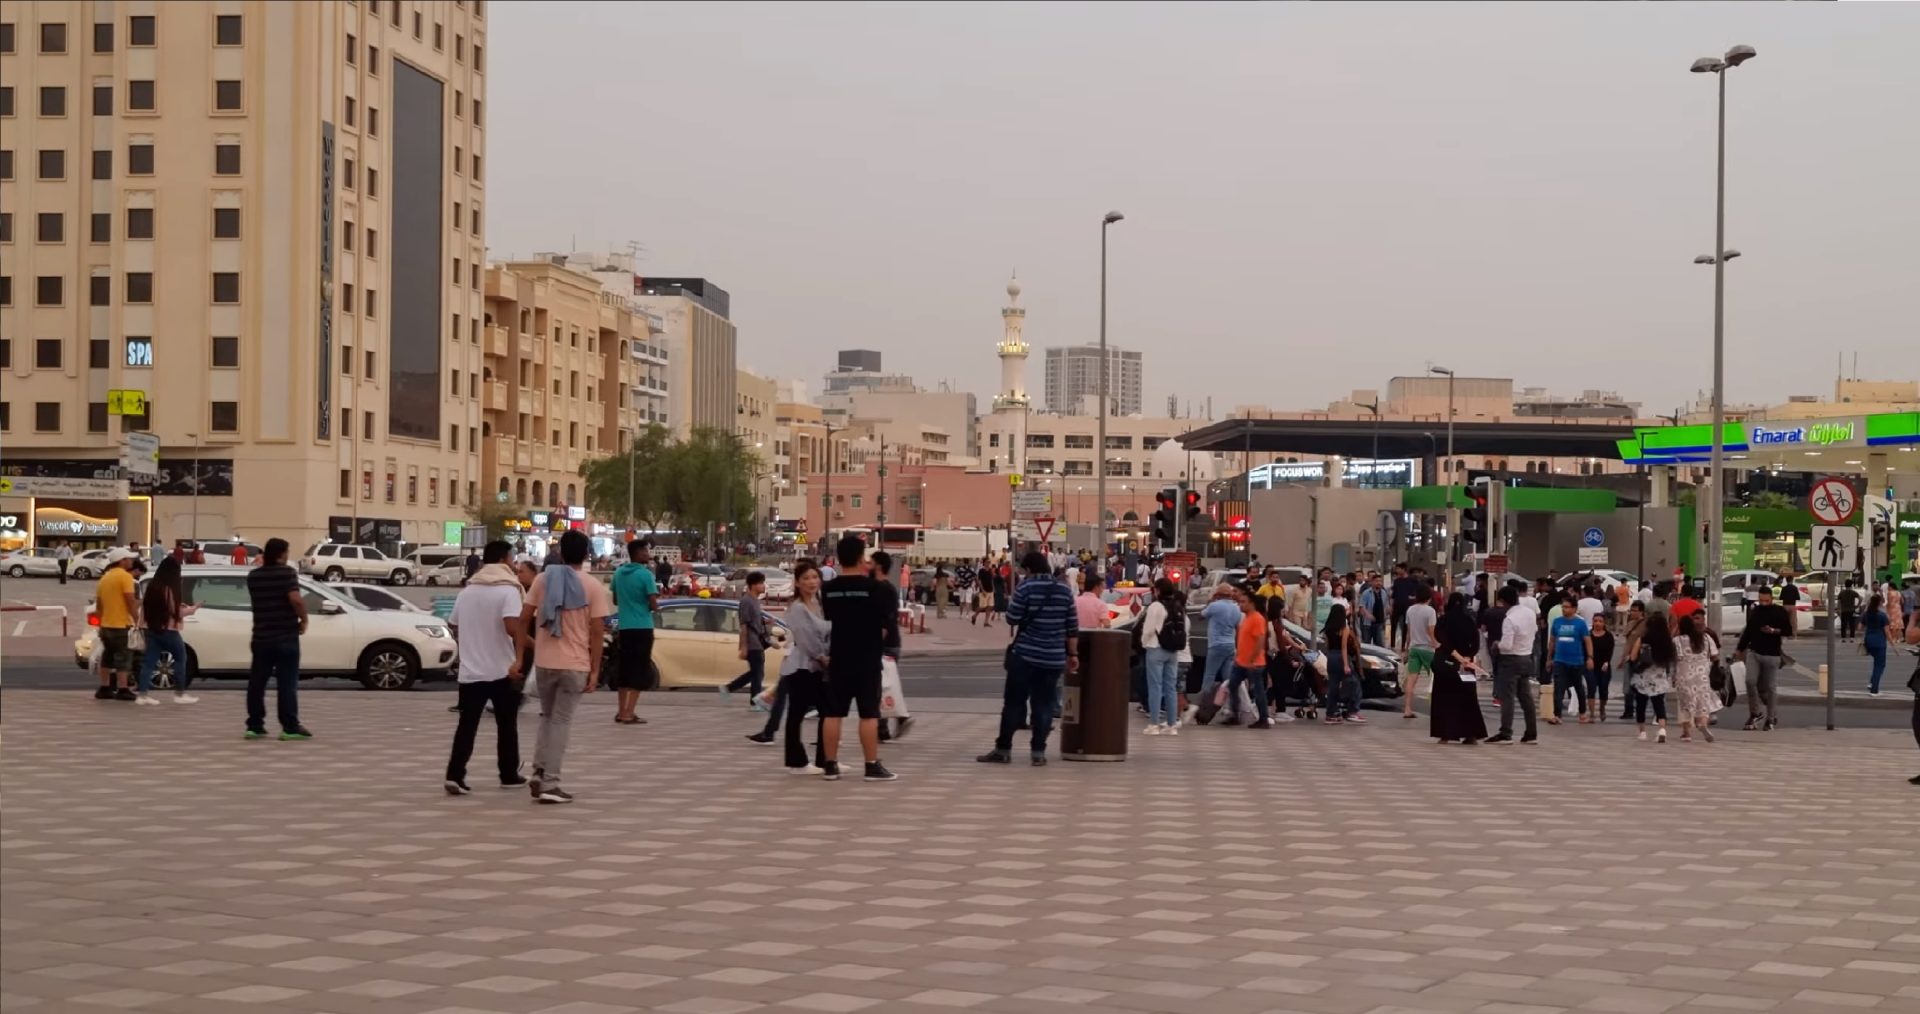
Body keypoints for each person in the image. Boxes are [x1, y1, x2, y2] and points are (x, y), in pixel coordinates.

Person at [519, 529, 613, 804]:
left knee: (547, 717)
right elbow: (597, 631)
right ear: (587, 554)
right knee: (561, 721)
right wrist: (595, 670)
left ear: (560, 552)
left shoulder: (543, 579)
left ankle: (539, 771)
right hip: (575, 664)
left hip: (545, 661)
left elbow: (523, 618)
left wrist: (519, 655)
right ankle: (550, 783)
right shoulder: (593, 586)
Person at [979, 550, 1080, 764]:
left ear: (1029, 569)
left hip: (1025, 655)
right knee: (1044, 705)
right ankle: (1038, 753)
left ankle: (1003, 749)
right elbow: (1072, 626)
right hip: (1053, 657)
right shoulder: (1064, 590)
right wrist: (1072, 654)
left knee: (1013, 703)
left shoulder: (1025, 588)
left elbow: (1012, 618)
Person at [444, 541, 528, 794]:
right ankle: (508, 774)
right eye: (512, 559)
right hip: (502, 669)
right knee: (506, 725)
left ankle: (455, 775)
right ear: (503, 560)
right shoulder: (508, 591)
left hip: (470, 671)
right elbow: (512, 627)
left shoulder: (467, 591)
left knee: (467, 725)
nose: (514, 565)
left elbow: (453, 624)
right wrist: (532, 646)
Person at [820, 537, 898, 781]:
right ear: (860, 557)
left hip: (839, 656)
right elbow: (885, 626)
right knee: (868, 713)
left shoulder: (828, 589)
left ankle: (830, 765)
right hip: (867, 658)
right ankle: (871, 765)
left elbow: (829, 618)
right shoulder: (877, 589)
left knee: (833, 712)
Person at [765, 561, 830, 773]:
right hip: (801, 667)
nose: (811, 582)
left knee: (828, 712)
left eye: (815, 577)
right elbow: (805, 637)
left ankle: (825, 759)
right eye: (806, 578)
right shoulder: (797, 608)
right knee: (797, 713)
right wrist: (821, 656)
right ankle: (796, 762)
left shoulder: (820, 605)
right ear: (798, 583)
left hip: (819, 667)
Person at [245, 538, 311, 740]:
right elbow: (295, 599)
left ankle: (255, 725)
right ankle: (290, 727)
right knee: (287, 683)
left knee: (257, 682)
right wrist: (304, 619)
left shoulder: (253, 577)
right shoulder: (287, 573)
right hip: (285, 636)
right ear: (282, 554)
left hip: (261, 637)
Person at [134, 556, 200, 705]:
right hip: (168, 630)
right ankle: (179, 694)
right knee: (181, 659)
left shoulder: (152, 587)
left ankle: (142, 695)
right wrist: (192, 609)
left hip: (150, 629)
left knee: (149, 662)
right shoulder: (169, 590)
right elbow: (175, 612)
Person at [610, 540, 660, 725]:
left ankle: (621, 710)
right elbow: (653, 604)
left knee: (624, 669)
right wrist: (648, 605)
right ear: (638, 553)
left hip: (624, 627)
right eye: (645, 551)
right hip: (642, 627)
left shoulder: (618, 573)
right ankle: (629, 713)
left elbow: (615, 600)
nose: (648, 554)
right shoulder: (646, 575)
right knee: (639, 669)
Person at [1429, 592, 1488, 745]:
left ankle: (1445, 733)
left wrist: (1455, 655)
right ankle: (1471, 734)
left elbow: (1441, 640)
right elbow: (1476, 643)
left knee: (1444, 699)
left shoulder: (1443, 620)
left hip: (1447, 665)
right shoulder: (1469, 621)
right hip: (1466, 666)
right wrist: (1467, 657)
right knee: (1468, 700)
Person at [1489, 585, 1539, 745]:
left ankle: (1506, 732)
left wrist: (1496, 644)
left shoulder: (1510, 619)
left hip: (1510, 660)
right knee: (1526, 697)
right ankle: (1531, 733)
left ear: (1503, 601)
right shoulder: (1529, 613)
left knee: (1507, 697)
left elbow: (1507, 645)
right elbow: (1535, 631)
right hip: (1526, 657)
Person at [1734, 584, 1789, 731]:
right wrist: (1739, 649)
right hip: (1755, 652)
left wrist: (1774, 631)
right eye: (1761, 600)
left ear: (1771, 599)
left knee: (1770, 687)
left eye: (1766, 600)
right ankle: (1755, 712)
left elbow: (1788, 630)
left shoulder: (1779, 612)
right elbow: (1748, 631)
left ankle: (1771, 718)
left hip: (1772, 655)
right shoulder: (1756, 611)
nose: (1763, 603)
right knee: (1750, 681)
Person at [93, 549, 141, 701]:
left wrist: (100, 623)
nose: (131, 561)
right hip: (121, 624)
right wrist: (137, 619)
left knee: (107, 656)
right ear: (122, 561)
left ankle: (104, 687)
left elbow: (99, 605)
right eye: (129, 559)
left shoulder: (104, 578)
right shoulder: (125, 577)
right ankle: (123, 689)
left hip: (106, 625)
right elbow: (130, 600)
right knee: (124, 658)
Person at [1139, 578, 1185, 735]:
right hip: (1173, 650)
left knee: (1155, 687)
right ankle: (1172, 725)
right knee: (1170, 687)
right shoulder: (1177, 605)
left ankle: (1154, 724)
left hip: (1156, 648)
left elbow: (1148, 630)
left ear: (1157, 590)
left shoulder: (1156, 606)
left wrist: (1144, 643)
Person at [1225, 588, 1275, 728]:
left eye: (1243, 602)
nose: (1240, 605)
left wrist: (1252, 659)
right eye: (1240, 602)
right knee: (1232, 685)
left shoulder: (1257, 618)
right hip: (1241, 661)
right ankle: (1235, 715)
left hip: (1254, 663)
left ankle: (1263, 719)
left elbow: (1260, 640)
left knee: (1258, 691)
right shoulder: (1246, 618)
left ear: (1251, 603)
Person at [721, 572, 772, 706]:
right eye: (761, 583)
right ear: (753, 585)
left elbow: (755, 620)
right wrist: (743, 646)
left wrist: (765, 622)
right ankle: (753, 701)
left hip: (757, 642)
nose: (764, 586)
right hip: (751, 642)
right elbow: (744, 624)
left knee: (757, 673)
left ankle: (730, 689)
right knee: (757, 673)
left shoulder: (755, 600)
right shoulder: (746, 601)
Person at [1672, 611, 1721, 743]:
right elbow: (1715, 655)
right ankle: (1702, 724)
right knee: (1702, 702)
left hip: (1684, 676)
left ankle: (1686, 733)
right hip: (1702, 675)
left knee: (1685, 704)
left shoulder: (1677, 640)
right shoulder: (1706, 638)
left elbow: (1675, 658)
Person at [1629, 612, 1676, 743]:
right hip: (1659, 677)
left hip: (1643, 676)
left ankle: (1642, 732)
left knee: (1641, 704)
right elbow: (1670, 661)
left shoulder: (1643, 639)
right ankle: (1662, 729)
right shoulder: (1667, 642)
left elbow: (1633, 657)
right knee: (1659, 704)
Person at [1545, 596, 1593, 725]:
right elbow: (1552, 641)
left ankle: (1582, 713)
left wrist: (1590, 657)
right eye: (1563, 607)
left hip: (1576, 661)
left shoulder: (1580, 623)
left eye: (1567, 607)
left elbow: (1587, 641)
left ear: (1574, 609)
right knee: (1558, 688)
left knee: (1578, 687)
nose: (1564, 609)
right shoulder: (1557, 622)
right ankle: (1557, 715)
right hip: (1559, 660)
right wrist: (1549, 658)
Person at [1198, 585, 1242, 708]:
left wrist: (1210, 601)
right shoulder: (1236, 608)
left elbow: (1200, 616)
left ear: (1218, 594)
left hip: (1216, 644)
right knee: (1228, 678)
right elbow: (1238, 627)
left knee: (1210, 675)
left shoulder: (1215, 606)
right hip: (1230, 645)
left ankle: (1204, 704)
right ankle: (1229, 705)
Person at [1322, 602, 1365, 725]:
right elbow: (1344, 647)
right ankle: (1353, 711)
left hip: (1331, 656)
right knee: (1354, 682)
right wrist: (1346, 664)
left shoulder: (1327, 629)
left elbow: (1327, 645)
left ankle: (1330, 713)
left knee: (1333, 686)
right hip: (1341, 657)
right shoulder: (1344, 629)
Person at [1401, 585, 1438, 721]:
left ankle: (1407, 709)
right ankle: (1436, 709)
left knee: (1411, 679)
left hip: (1414, 648)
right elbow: (1431, 630)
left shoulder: (1410, 610)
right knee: (1435, 679)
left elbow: (1408, 632)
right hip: (1428, 649)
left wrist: (1406, 649)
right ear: (1429, 597)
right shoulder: (1430, 611)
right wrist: (1436, 643)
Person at [1587, 614, 1615, 723]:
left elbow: (1610, 651)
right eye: (1595, 621)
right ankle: (1592, 714)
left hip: (1604, 666)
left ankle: (1602, 708)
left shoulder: (1608, 636)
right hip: (1591, 666)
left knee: (1603, 689)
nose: (1598, 623)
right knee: (1591, 688)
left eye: (1600, 621)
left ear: (1604, 623)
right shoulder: (1588, 635)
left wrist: (1607, 662)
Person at [1863, 594, 1891, 696]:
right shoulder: (1882, 615)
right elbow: (1887, 631)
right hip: (1879, 642)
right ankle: (1874, 690)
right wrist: (1892, 643)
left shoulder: (1866, 614)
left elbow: (1859, 627)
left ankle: (1872, 682)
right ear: (1879, 603)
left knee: (1876, 663)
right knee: (1879, 665)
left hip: (1868, 641)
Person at [1360, 574, 1387, 647]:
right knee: (1366, 644)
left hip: (1380, 622)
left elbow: (1385, 605)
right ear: (1372, 582)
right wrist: (1368, 615)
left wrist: (1385, 614)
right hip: (1368, 623)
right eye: (1376, 581)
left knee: (1380, 645)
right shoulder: (1366, 593)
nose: (1379, 583)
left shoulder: (1384, 593)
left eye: (1380, 581)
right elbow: (1362, 606)